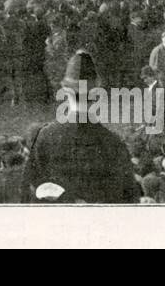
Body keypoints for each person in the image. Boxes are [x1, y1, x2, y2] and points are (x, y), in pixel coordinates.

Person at [21, 51, 139, 204]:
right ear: (97, 93)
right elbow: (129, 202)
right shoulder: (113, 144)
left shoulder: (45, 138)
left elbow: (28, 194)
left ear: (65, 91)